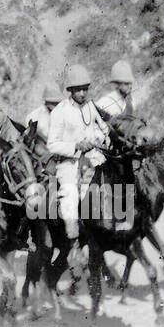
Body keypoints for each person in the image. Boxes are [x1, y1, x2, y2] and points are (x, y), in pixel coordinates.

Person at [47, 65, 109, 241]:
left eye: (85, 89)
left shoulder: (90, 106)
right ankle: (73, 236)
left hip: (94, 158)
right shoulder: (60, 111)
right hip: (70, 164)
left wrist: (102, 139)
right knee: (70, 195)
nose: (83, 93)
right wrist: (76, 146)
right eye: (78, 90)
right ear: (70, 90)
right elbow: (52, 144)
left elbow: (103, 129)